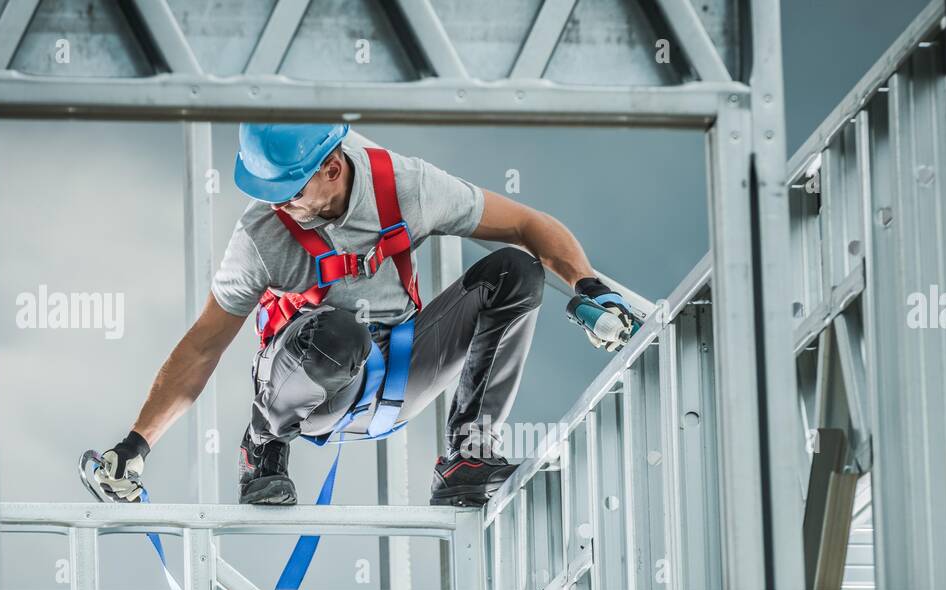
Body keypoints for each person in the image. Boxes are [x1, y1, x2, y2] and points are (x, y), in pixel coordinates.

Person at [93, 123, 636, 508]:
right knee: (338, 333)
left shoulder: (407, 187)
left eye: (289, 192)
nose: (277, 205)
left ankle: (469, 455)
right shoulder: (260, 237)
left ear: (333, 168)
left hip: (404, 367)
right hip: (313, 386)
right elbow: (203, 345)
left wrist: (592, 290)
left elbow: (528, 224)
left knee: (515, 270)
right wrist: (135, 447)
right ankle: (263, 445)